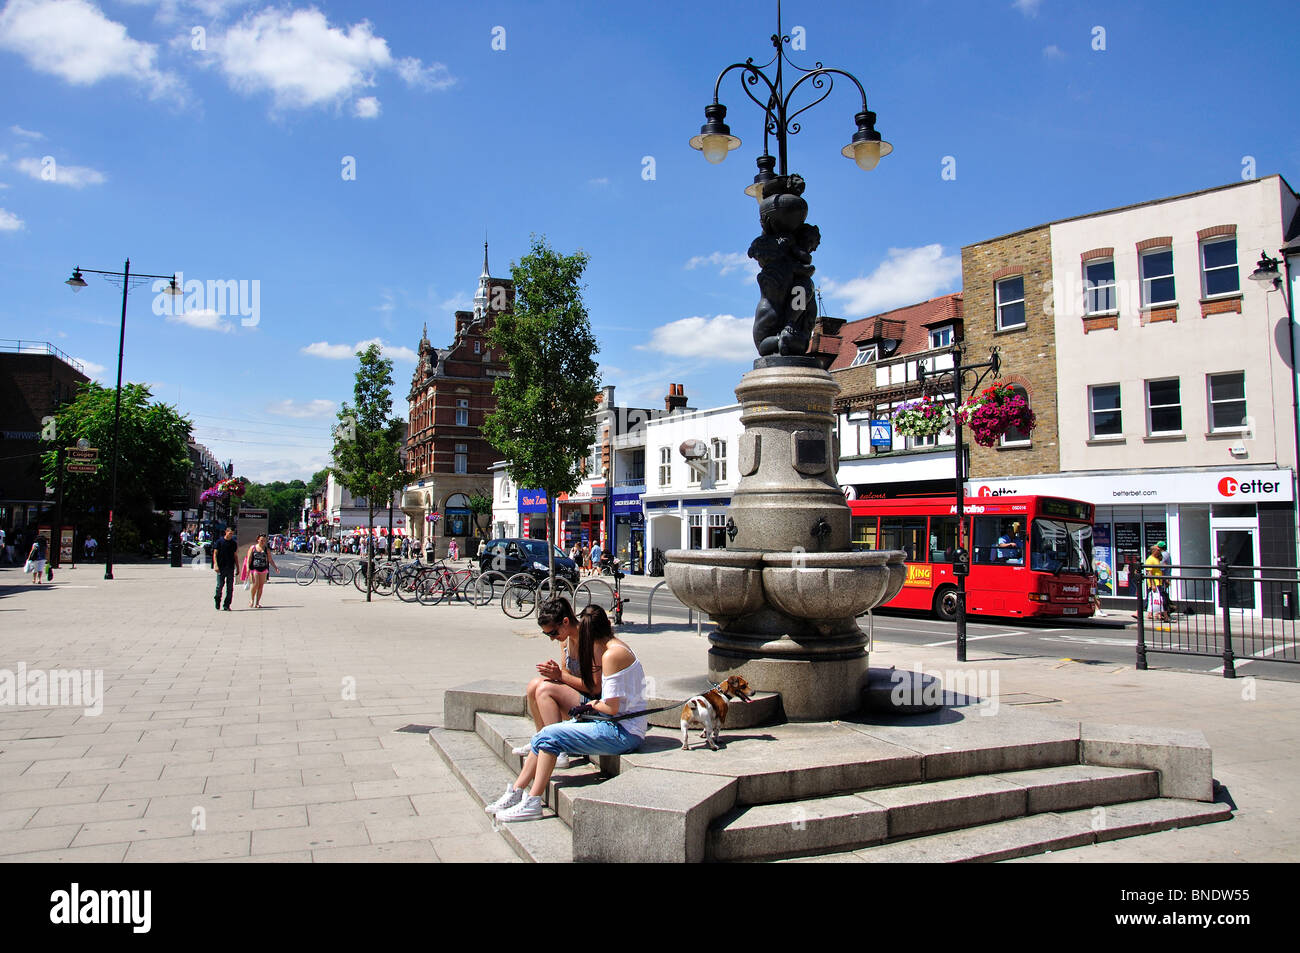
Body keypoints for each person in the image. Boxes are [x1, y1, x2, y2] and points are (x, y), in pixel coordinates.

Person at [488, 605, 648, 822]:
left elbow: (611, 707)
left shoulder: (612, 655)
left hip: (623, 731)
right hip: (616, 724)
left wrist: (592, 704)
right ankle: (517, 792)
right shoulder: (616, 649)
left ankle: (532, 801)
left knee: (550, 735)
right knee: (544, 735)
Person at [513, 598, 602, 771]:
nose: (552, 639)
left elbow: (596, 687)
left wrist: (559, 676)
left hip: (595, 704)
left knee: (545, 690)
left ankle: (557, 749)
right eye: (547, 634)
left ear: (565, 622)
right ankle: (542, 740)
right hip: (579, 698)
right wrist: (557, 675)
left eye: (553, 633)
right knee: (534, 685)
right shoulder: (565, 641)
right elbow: (566, 675)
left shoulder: (590, 641)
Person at [245, 533, 278, 608]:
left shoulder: (266, 549)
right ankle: (252, 600)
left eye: (264, 540)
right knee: (255, 584)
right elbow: (249, 558)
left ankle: (257, 602)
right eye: (261, 540)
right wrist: (247, 568)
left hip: (263, 569)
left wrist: (275, 567)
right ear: (258, 540)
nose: (263, 542)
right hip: (254, 568)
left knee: (261, 586)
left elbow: (270, 559)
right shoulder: (253, 548)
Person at [212, 528, 238, 611]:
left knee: (230, 588)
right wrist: (216, 565)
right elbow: (215, 554)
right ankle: (217, 599)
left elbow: (235, 555)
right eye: (230, 533)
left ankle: (227, 605)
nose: (231, 535)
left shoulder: (233, 543)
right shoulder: (219, 542)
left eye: (232, 533)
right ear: (226, 532)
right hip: (221, 567)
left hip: (230, 567)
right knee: (219, 586)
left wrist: (237, 567)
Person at [1142, 544, 1169, 622]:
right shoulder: (1150, 559)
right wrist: (1153, 584)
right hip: (1155, 583)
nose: (1159, 551)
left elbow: (1159, 570)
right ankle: (1165, 616)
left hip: (1159, 581)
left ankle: (1153, 614)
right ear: (1153, 551)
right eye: (1158, 550)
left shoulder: (1156, 559)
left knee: (1154, 599)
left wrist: (1164, 579)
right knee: (1162, 599)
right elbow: (1149, 572)